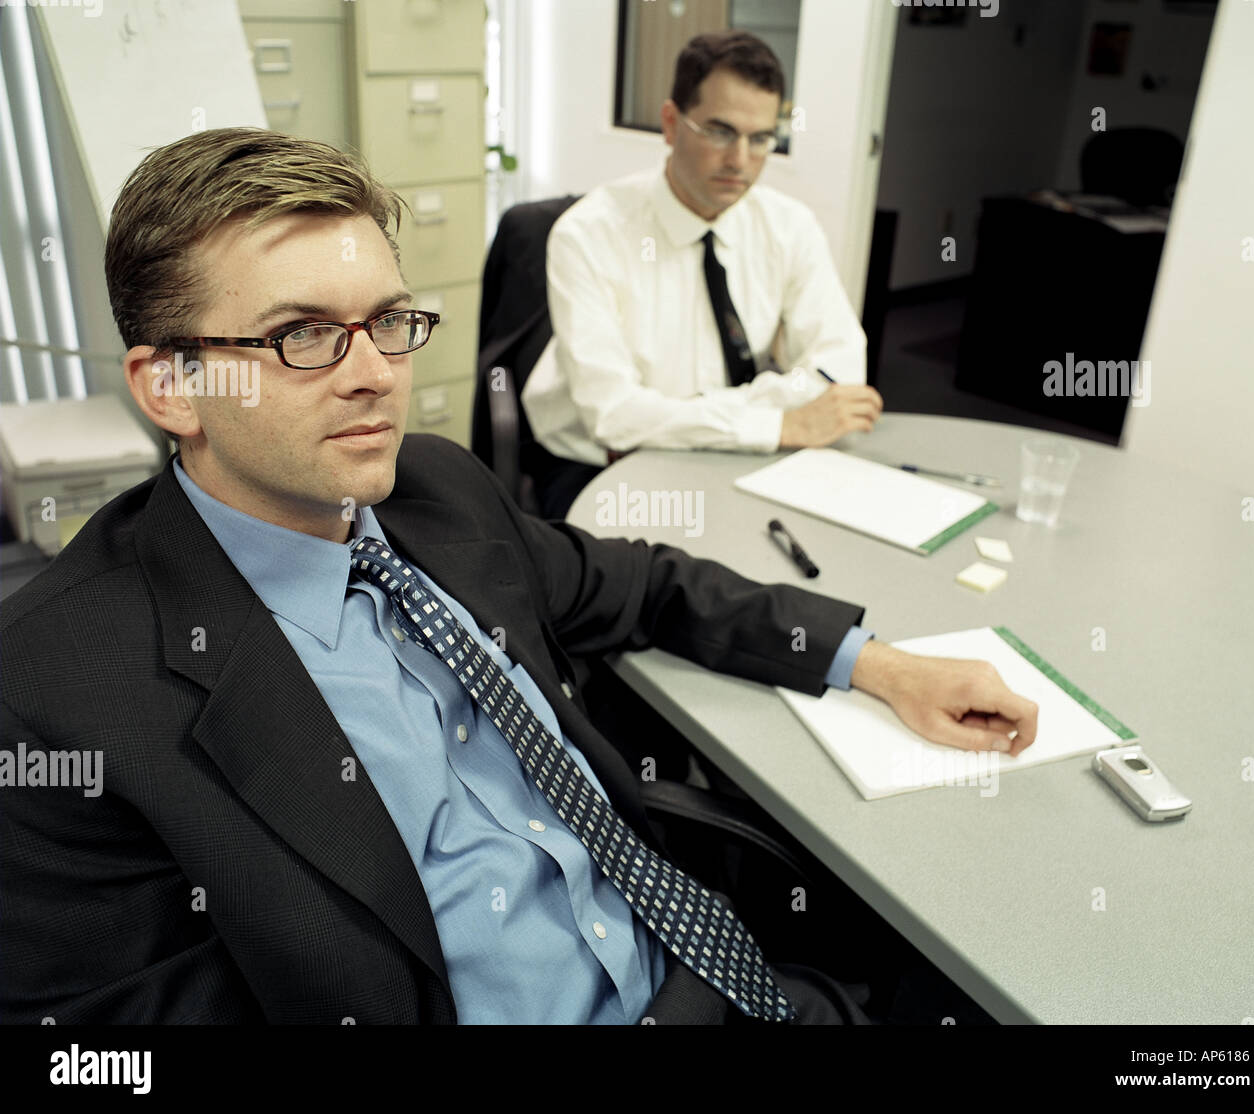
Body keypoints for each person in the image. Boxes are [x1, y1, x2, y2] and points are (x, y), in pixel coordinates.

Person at [0, 128, 1036, 1026]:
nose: (374, 373)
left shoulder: (436, 490)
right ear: (173, 384)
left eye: (390, 321)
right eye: (301, 335)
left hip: (701, 964)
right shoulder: (54, 695)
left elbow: (643, 582)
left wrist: (880, 663)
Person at [521, 30, 886, 518]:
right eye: (719, 131)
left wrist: (726, 418)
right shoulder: (588, 234)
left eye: (761, 139)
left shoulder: (789, 226)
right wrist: (778, 420)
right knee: (665, 584)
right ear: (671, 124)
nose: (740, 160)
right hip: (599, 461)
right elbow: (615, 416)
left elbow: (840, 374)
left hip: (733, 450)